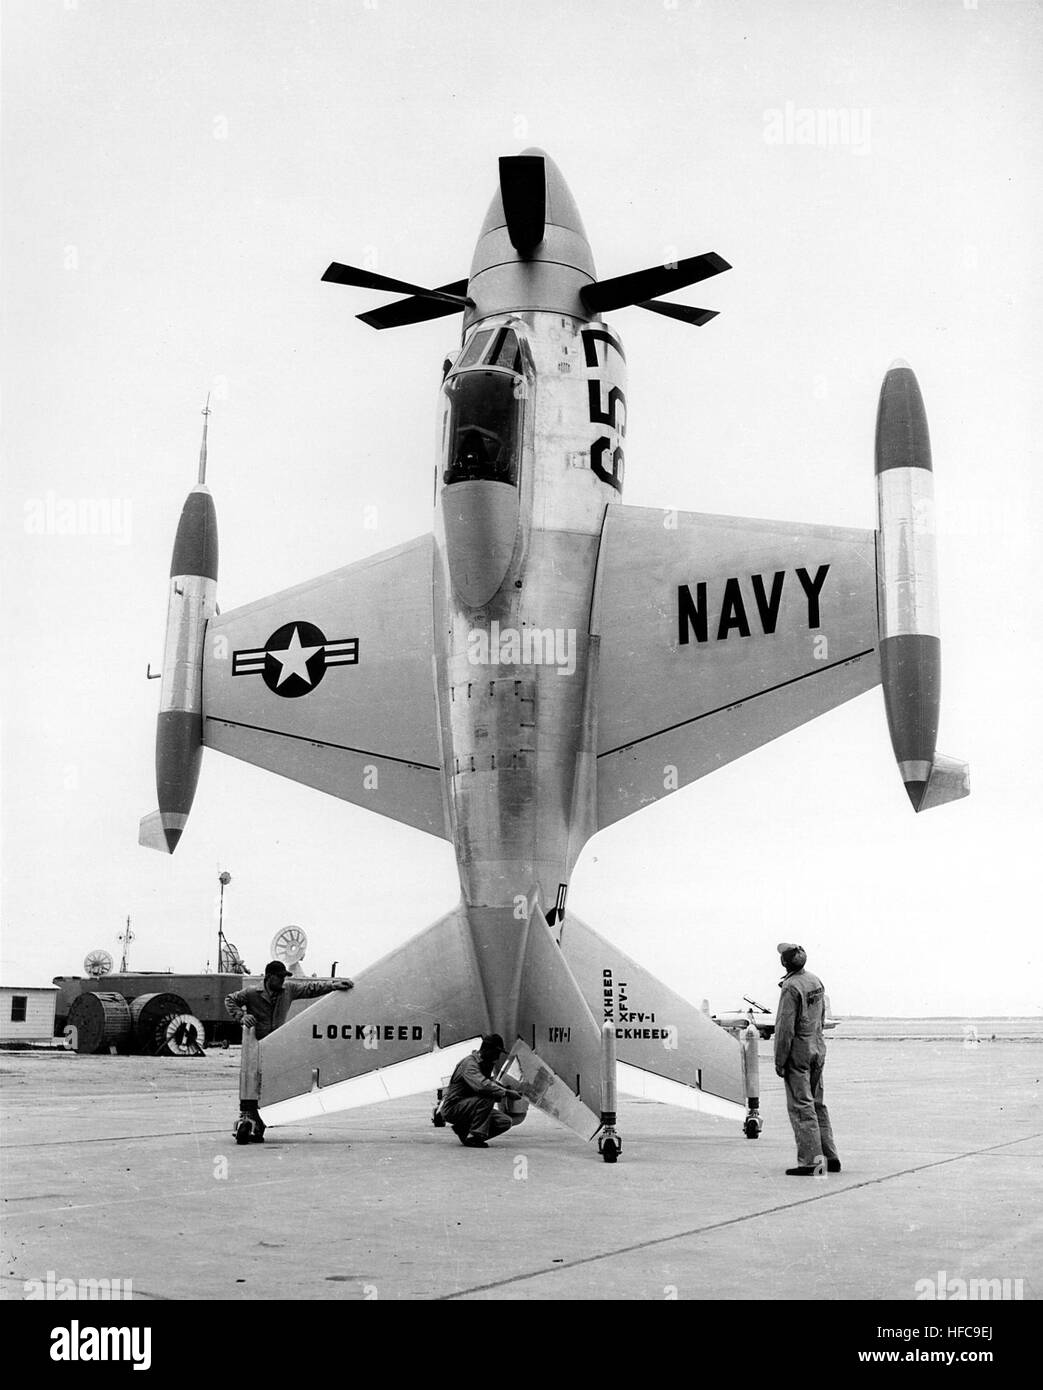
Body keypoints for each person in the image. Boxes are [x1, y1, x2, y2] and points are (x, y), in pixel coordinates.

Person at [225, 961, 354, 1142]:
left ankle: (259, 1123)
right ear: (269, 977)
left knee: (270, 1086)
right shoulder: (252, 993)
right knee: (251, 1083)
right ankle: (248, 1118)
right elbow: (230, 999)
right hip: (256, 1045)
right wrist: (241, 1016)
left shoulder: (288, 990)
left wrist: (334, 986)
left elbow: (311, 988)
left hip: (277, 1045)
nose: (283, 980)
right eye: (280, 977)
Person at [774, 942, 841, 1176]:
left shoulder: (791, 987)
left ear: (785, 962)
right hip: (817, 1046)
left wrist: (780, 1060)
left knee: (802, 1106)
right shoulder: (815, 981)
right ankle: (830, 1156)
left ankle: (812, 1162)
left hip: (799, 1051)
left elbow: (784, 1029)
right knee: (817, 1103)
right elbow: (821, 1017)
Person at [440, 1034, 522, 1148]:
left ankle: (465, 1133)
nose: (497, 1057)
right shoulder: (469, 1064)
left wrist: (507, 1089)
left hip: (470, 1107)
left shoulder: (484, 1065)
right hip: (454, 1108)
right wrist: (506, 1093)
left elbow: (491, 1083)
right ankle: (474, 1136)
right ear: (487, 1049)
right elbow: (483, 1086)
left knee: (505, 1122)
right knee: (487, 1096)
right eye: (496, 1053)